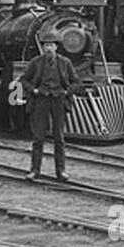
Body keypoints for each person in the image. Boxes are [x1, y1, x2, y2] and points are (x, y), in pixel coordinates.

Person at [21, 31, 76, 181]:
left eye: (51, 45)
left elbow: (76, 82)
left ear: (56, 47)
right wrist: (34, 90)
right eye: (46, 45)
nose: (48, 48)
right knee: (38, 138)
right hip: (41, 101)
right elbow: (24, 80)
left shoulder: (65, 63)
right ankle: (34, 170)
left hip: (58, 101)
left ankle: (61, 171)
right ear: (43, 47)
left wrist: (66, 91)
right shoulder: (36, 62)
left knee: (59, 138)